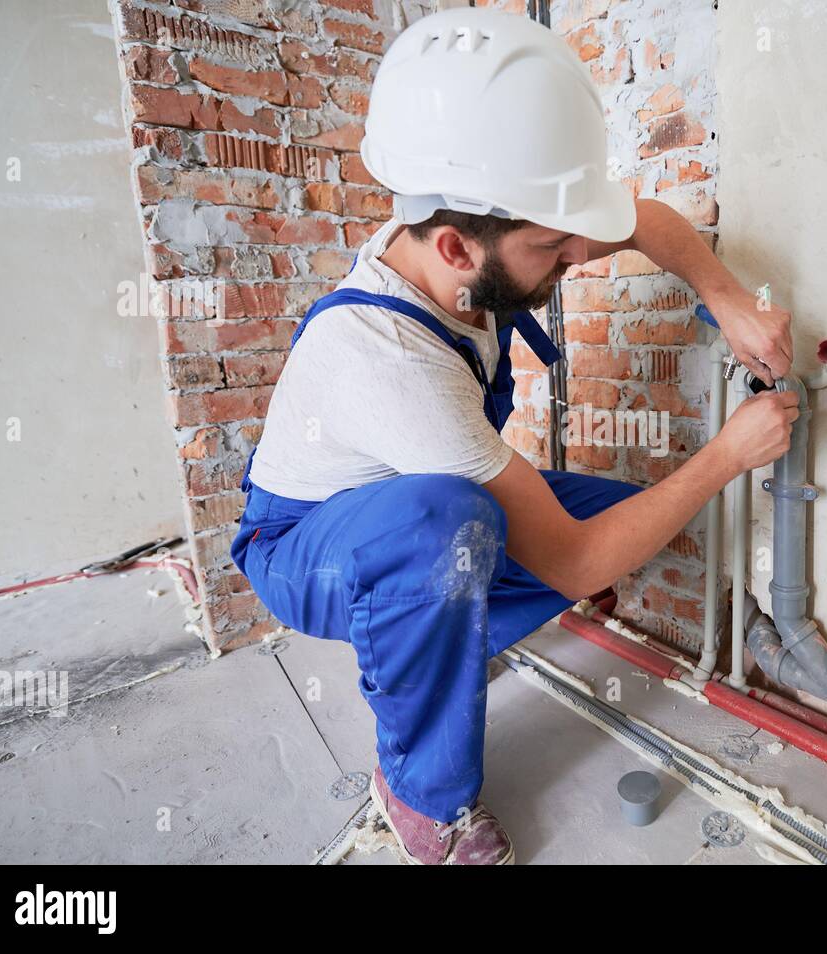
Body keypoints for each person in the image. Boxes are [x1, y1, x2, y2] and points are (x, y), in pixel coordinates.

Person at [230, 7, 796, 864]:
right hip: (305, 542)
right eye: (553, 248)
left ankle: (439, 642)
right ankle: (424, 796)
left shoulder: (468, 231)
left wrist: (726, 298)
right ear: (457, 247)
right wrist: (727, 455)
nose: (574, 256)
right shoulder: (389, 361)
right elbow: (570, 561)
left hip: (407, 499)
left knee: (625, 521)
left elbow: (643, 220)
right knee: (455, 529)